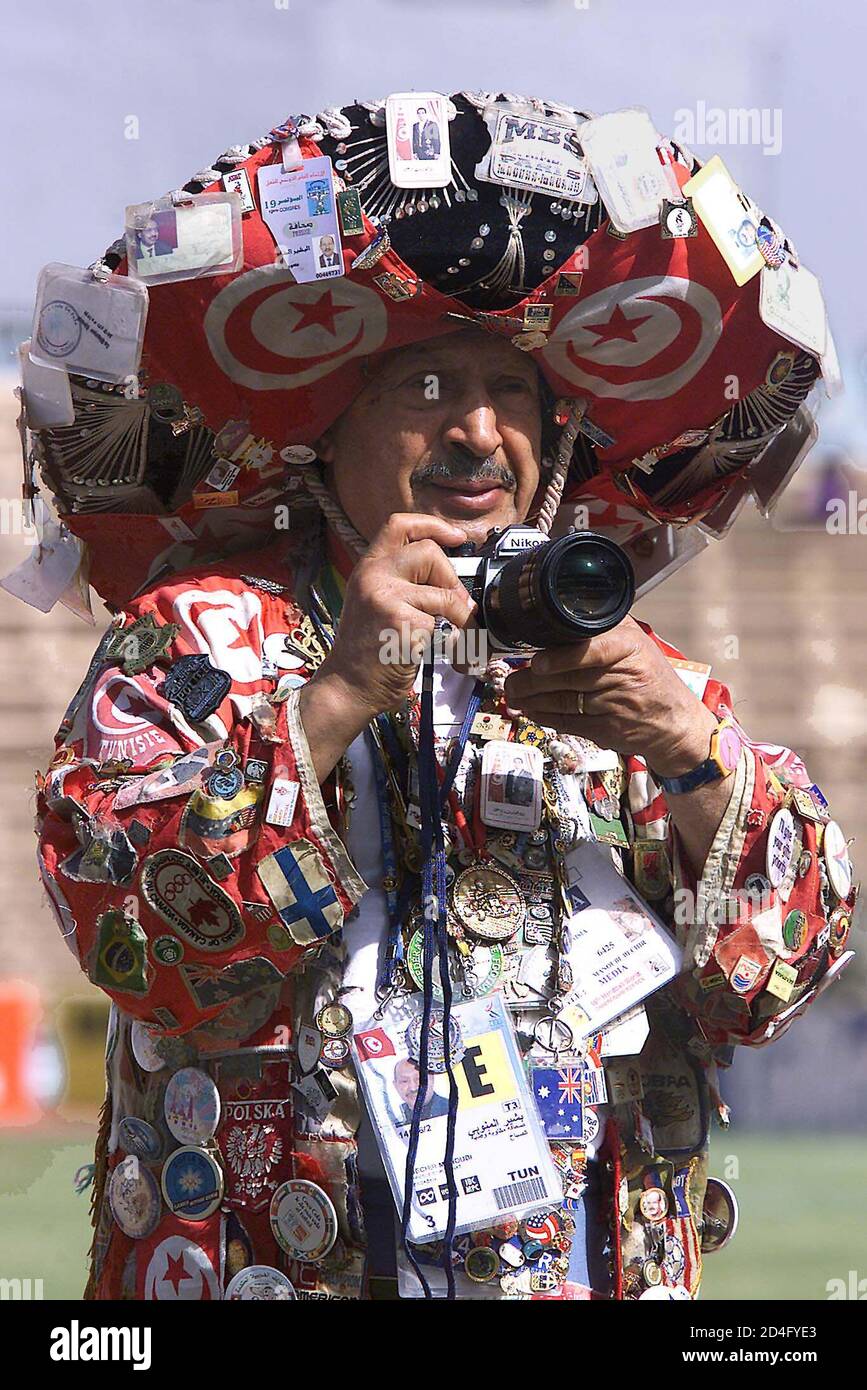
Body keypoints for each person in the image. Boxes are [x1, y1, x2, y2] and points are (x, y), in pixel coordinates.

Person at [30, 90, 855, 1304]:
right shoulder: (197, 633)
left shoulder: (625, 667)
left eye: (508, 393)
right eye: (426, 391)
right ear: (329, 429)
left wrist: (692, 755)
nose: (476, 430)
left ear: (557, 434)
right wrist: (336, 697)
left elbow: (787, 964)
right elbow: (131, 930)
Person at [392, 1058, 449, 1124]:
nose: (413, 1088)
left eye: (419, 1079)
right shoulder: (393, 1120)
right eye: (404, 1081)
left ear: (432, 1078)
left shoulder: (453, 1108)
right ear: (396, 1086)